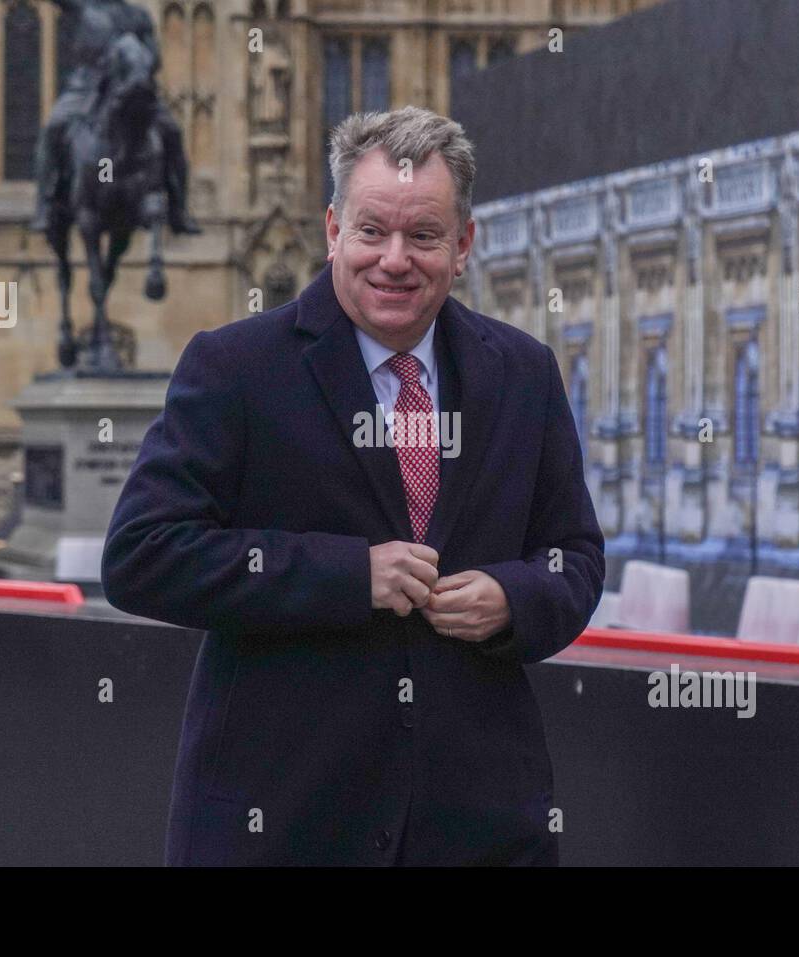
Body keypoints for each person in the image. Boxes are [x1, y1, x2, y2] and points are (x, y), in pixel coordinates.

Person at [102, 105, 604, 866]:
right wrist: (349, 573)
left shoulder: (523, 372)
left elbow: (575, 556)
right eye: (373, 231)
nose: (395, 259)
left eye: (424, 236)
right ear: (334, 230)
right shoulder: (235, 368)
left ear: (463, 243)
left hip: (478, 829)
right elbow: (140, 555)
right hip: (283, 828)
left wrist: (514, 598)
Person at [30, 0, 194, 235]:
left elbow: (154, 56)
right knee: (51, 131)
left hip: (129, 89)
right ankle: (44, 206)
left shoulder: (138, 16)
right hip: (87, 88)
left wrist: (138, 71)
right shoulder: (83, 7)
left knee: (173, 133)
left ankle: (179, 209)